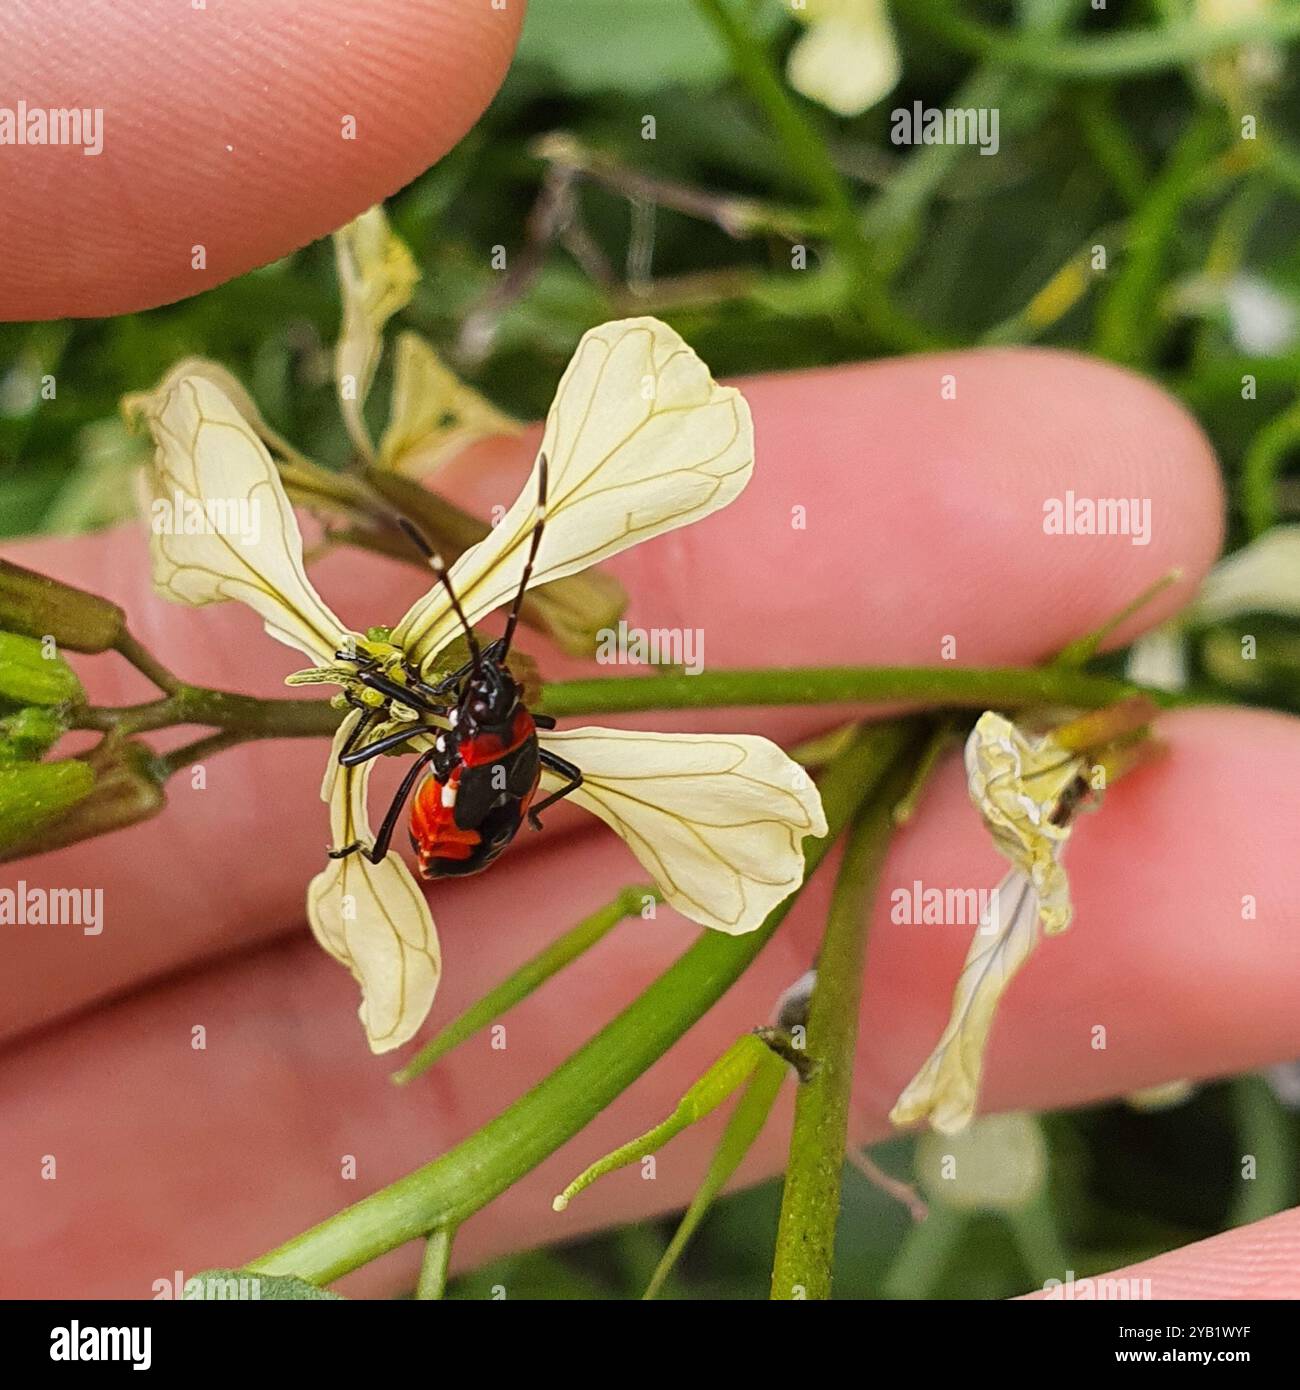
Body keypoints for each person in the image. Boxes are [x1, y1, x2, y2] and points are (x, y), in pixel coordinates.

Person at [1, 0, 1297, 1299]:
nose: (427, 689)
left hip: (460, 799)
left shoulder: (432, 707)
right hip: (451, 812)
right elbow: (440, 790)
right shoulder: (419, 730)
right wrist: (390, 810)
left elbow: (454, 743)